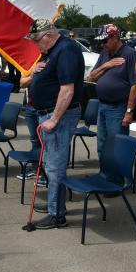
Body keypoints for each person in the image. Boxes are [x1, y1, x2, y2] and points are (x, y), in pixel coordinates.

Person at [25, 19, 85, 229]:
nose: (35, 45)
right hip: (48, 113)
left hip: (59, 116)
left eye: (36, 40)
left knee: (55, 166)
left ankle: (57, 214)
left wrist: (54, 119)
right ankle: (55, 204)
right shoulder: (53, 50)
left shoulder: (66, 49)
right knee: (51, 163)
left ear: (48, 35)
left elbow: (67, 90)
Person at [86, 24, 136, 170]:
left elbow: (135, 85)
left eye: (105, 41)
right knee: (102, 144)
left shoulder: (129, 54)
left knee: (117, 146)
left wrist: (129, 112)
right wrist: (107, 65)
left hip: (118, 107)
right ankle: (105, 174)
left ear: (115, 37)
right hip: (103, 105)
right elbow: (91, 77)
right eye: (100, 42)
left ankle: (117, 179)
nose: (102, 45)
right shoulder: (105, 54)